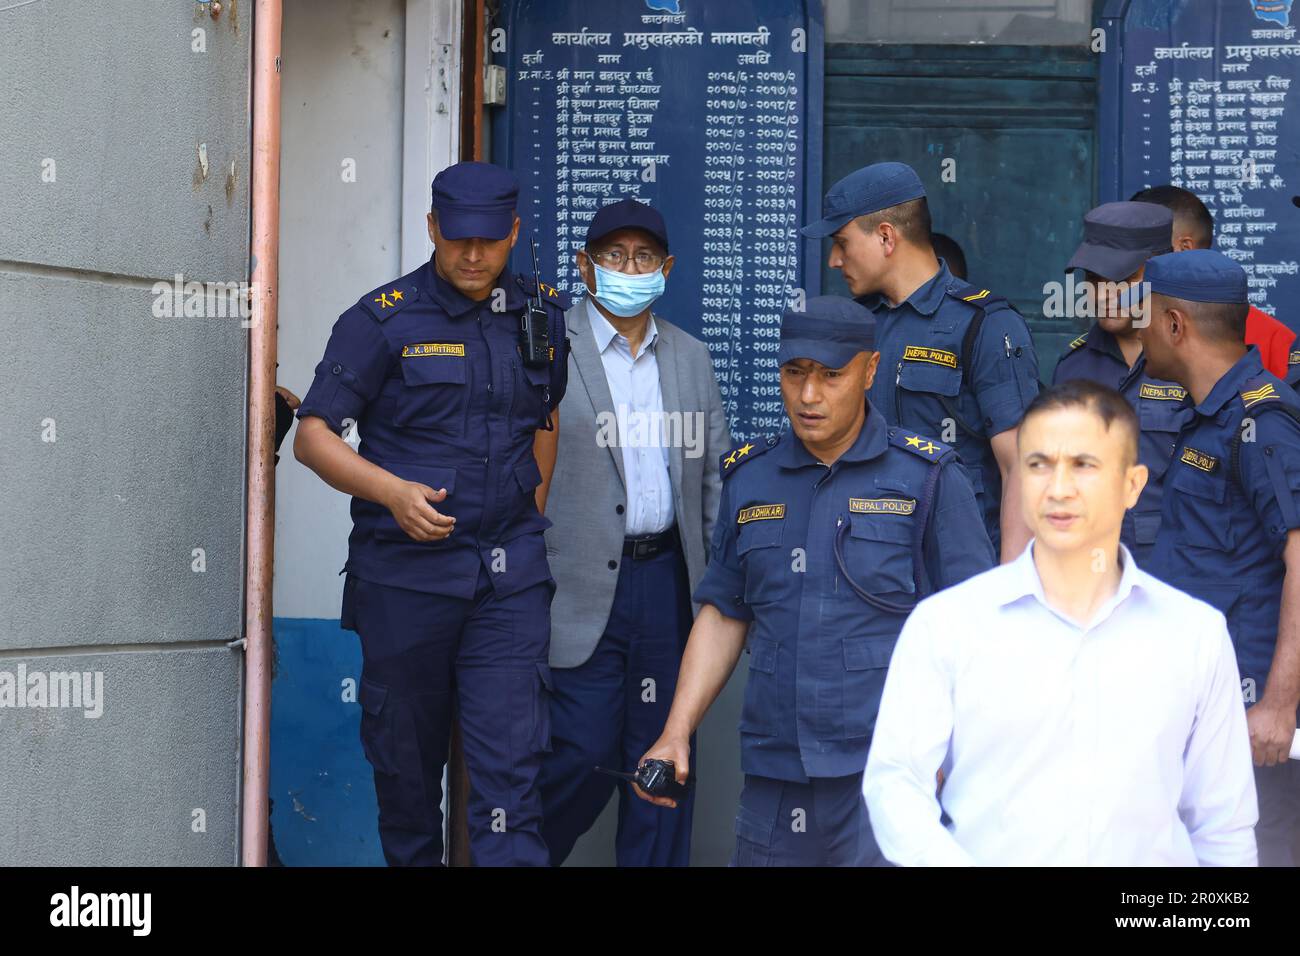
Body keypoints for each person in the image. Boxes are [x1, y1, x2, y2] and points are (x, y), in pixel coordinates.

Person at [634, 296, 994, 866]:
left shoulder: (927, 478)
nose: (808, 395)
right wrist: (676, 731)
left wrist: (959, 751)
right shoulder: (750, 478)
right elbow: (724, 612)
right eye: (795, 373)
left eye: (830, 376)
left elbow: (979, 629)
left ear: (869, 371)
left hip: (891, 773)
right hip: (778, 777)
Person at [292, 161, 570, 866]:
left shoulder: (541, 314)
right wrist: (391, 492)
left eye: (489, 240)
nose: (473, 255)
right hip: (406, 582)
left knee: (513, 779)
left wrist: (525, 516)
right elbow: (314, 437)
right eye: (457, 238)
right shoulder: (380, 320)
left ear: (514, 232)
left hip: (508, 583)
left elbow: (545, 418)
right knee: (408, 782)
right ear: (431, 228)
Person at [863, 379, 1258, 866]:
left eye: (1084, 465)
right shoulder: (948, 626)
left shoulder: (1194, 635)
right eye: (1038, 465)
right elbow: (895, 782)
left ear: (1132, 485)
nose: (1059, 488)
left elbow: (1223, 825)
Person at [538, 198, 731, 867]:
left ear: (666, 269)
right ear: (585, 266)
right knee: (580, 751)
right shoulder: (547, 347)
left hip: (667, 584)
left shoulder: (690, 357)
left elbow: (713, 478)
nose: (629, 269)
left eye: (643, 257)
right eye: (614, 256)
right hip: (574, 585)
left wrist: (718, 587)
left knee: (664, 766)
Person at [1139, 249, 1300, 866]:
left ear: (1175, 324)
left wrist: (1279, 704)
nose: (1138, 328)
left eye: (1146, 315)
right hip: (1201, 703)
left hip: (1250, 715)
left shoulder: (1263, 420)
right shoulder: (1210, 416)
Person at [802, 162, 1039, 560]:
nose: (834, 261)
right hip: (863, 564)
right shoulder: (857, 326)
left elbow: (1021, 465)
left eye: (842, 243)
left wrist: (1009, 584)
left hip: (957, 566)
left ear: (886, 237)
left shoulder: (985, 324)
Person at [1050, 201, 1190, 563]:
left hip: (1178, 569)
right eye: (1095, 280)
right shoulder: (1072, 368)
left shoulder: (1192, 364)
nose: (1105, 294)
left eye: (1124, 280)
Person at [1130, 185, 1294, 379]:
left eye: (1142, 248)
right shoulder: (1120, 320)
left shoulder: (1273, 341)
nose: (1127, 261)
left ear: (1184, 248)